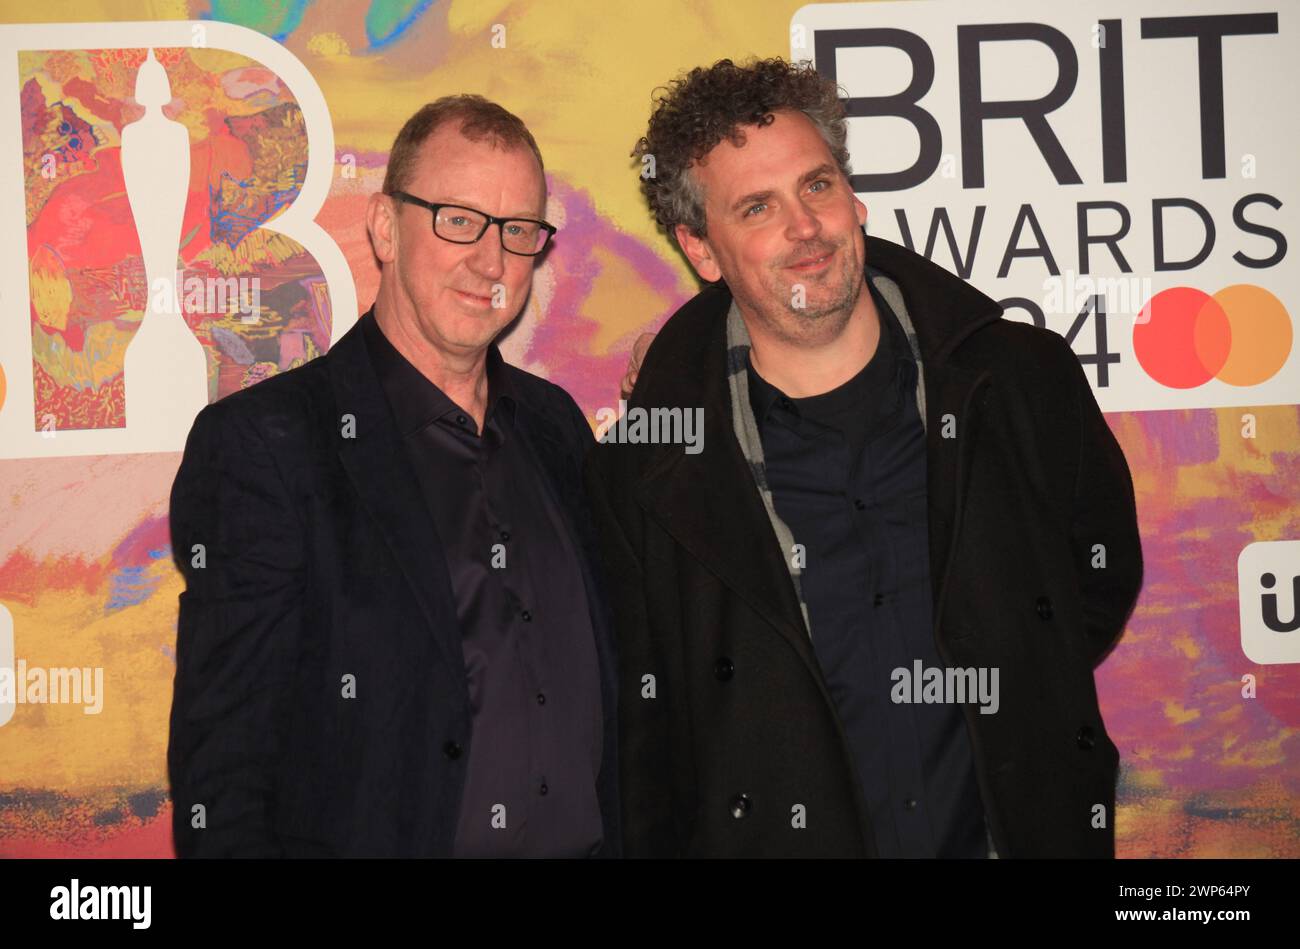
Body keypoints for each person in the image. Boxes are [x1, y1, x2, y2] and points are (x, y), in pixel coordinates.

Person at [587, 58, 1143, 858]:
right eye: (757, 206)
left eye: (817, 186)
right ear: (702, 250)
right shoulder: (647, 473)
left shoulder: (1019, 383)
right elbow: (649, 740)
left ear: (852, 196)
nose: (804, 227)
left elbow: (1095, 577)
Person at [168, 95, 620, 858]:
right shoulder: (267, 446)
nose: (491, 260)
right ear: (384, 226)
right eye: (458, 219)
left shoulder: (557, 427)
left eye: (518, 231)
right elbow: (225, 776)